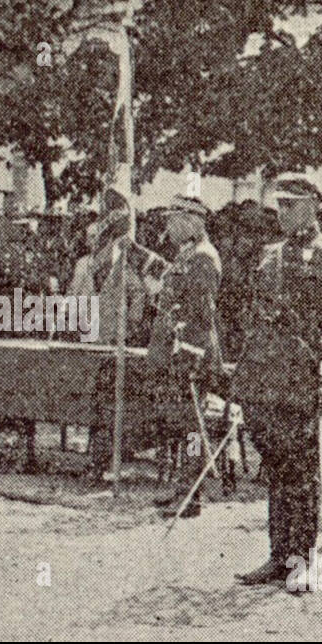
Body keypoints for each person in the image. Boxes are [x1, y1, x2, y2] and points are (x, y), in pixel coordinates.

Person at [234, 174, 322, 585]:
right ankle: (278, 553)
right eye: (279, 205)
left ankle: (300, 559)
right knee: (275, 467)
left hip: (302, 383)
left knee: (301, 471)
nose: (282, 213)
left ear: (312, 206)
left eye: (291, 205)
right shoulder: (269, 255)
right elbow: (254, 319)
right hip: (265, 380)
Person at [145, 195, 226, 519]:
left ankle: (190, 494)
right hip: (174, 350)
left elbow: (200, 314)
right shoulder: (187, 255)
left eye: (173, 220)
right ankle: (183, 488)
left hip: (191, 354)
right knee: (182, 424)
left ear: (191, 221)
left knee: (193, 427)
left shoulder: (204, 258)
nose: (168, 227)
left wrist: (188, 356)